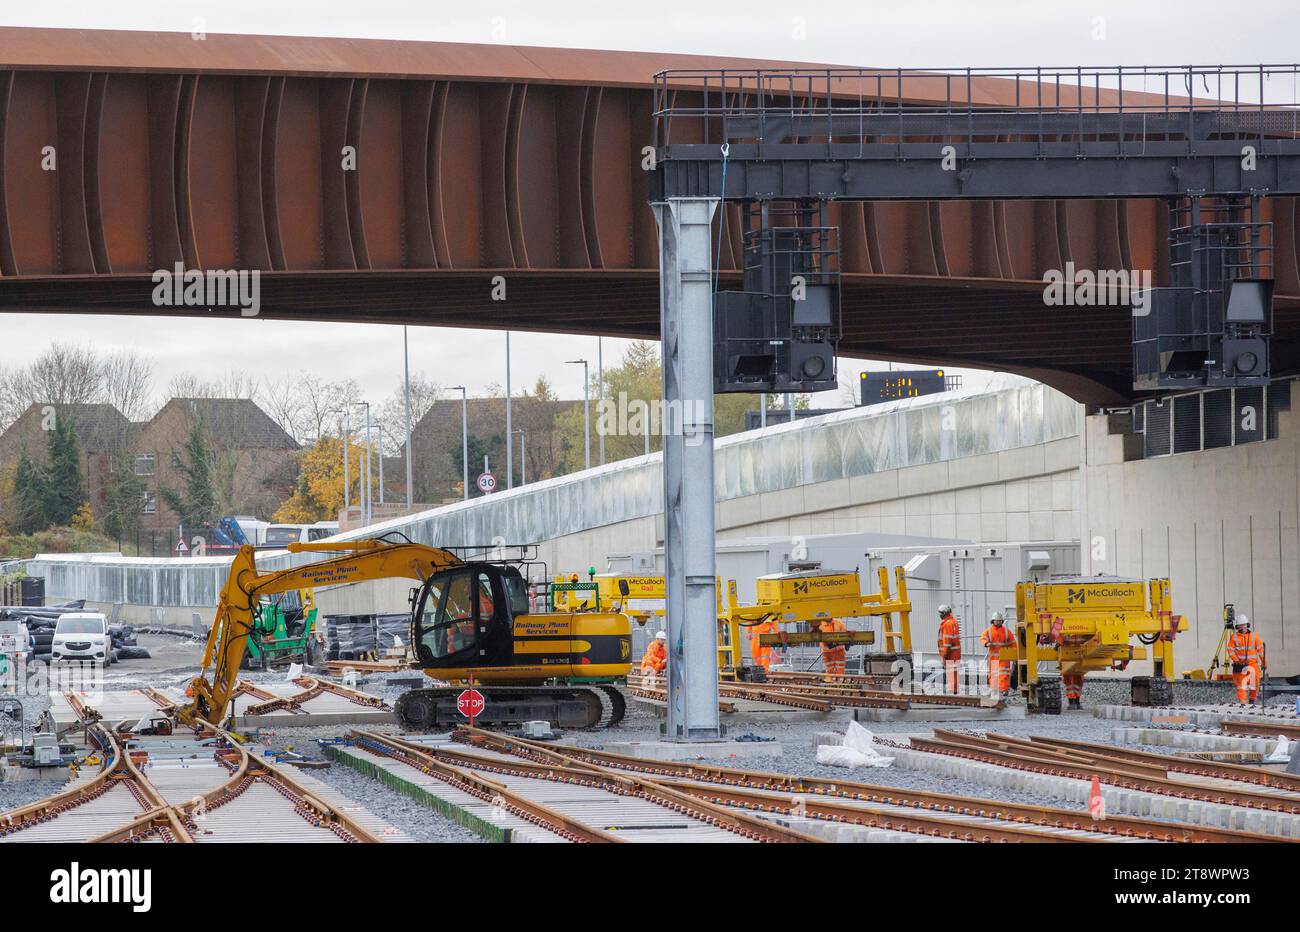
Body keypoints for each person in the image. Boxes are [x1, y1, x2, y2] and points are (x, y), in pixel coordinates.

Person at [1226, 613, 1264, 704]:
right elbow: (1230, 650)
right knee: (1241, 686)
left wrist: (1264, 662)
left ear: (1247, 625)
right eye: (1240, 625)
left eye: (1244, 624)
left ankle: (1252, 701)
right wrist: (1236, 660)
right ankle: (1243, 704)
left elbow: (1261, 650)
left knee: (1255, 684)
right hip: (1240, 665)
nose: (1242, 627)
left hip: (1252, 664)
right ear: (1237, 627)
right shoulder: (1234, 637)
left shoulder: (1254, 636)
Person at [980, 611, 1016, 697]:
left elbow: (1013, 643)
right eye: (996, 621)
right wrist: (986, 643)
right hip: (993, 658)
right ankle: (994, 690)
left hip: (1004, 657)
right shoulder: (989, 631)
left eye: (1000, 621)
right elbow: (982, 639)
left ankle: (1004, 690)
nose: (998, 622)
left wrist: (1014, 654)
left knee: (1004, 675)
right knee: (993, 675)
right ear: (993, 621)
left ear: (1002, 621)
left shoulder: (1007, 631)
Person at [937, 604, 961, 694]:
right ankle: (954, 689)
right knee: (954, 671)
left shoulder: (947, 624)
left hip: (950, 652)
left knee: (951, 671)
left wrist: (944, 655)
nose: (940, 615)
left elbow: (947, 641)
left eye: (940, 613)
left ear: (944, 613)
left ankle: (952, 690)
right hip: (955, 652)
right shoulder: (953, 621)